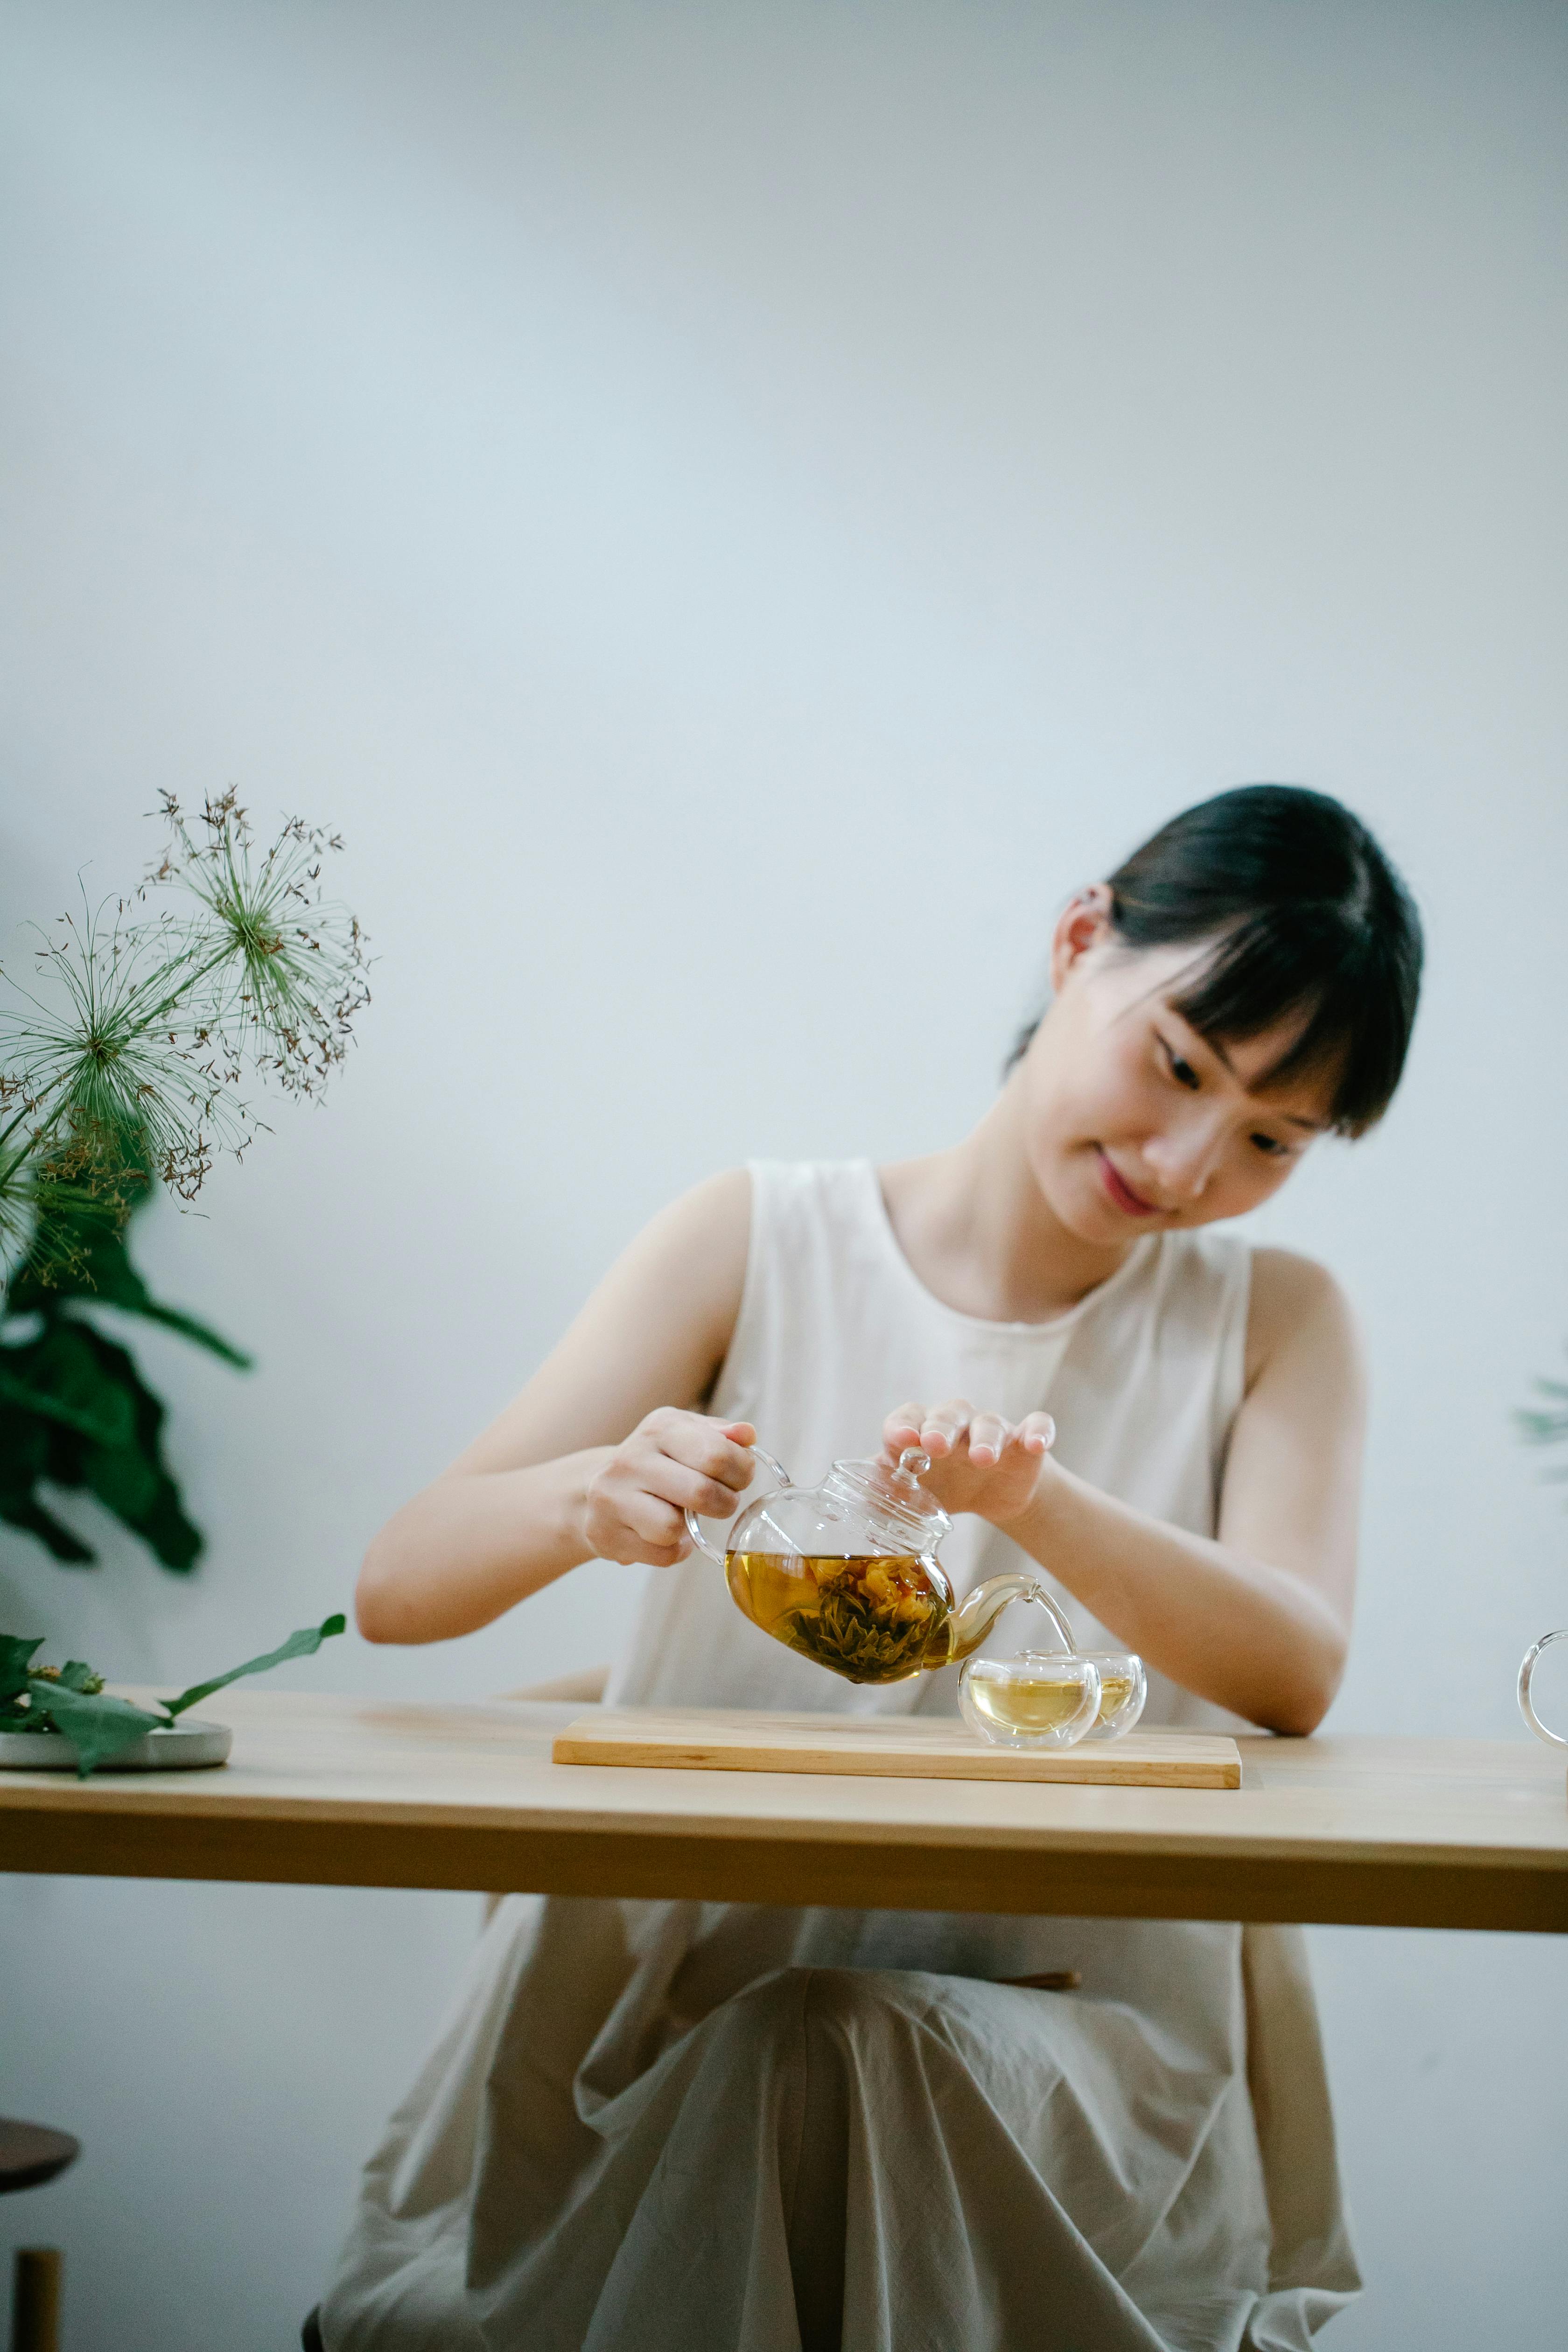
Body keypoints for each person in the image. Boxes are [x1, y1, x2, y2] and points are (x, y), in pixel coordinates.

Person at [319, 784, 1423, 2352]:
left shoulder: (1278, 1323)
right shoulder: (756, 1238)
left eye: (1269, 1139)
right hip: (667, 2012)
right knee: (791, 2051)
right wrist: (588, 1496)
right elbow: (399, 1584)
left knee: (828, 2052)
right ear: (1077, 941)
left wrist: (1036, 1501)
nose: (1184, 1164)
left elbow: (1295, 1667)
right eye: (1177, 1063)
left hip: (1075, 2048)